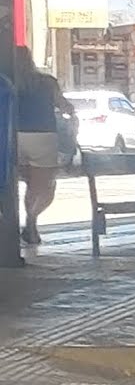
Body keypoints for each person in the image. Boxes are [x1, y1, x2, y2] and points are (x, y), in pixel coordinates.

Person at [14, 46, 74, 245]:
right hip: (43, 137)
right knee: (45, 187)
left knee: (24, 185)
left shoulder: (9, 82)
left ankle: (27, 225)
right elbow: (65, 107)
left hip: (14, 138)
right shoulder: (47, 82)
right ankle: (31, 220)